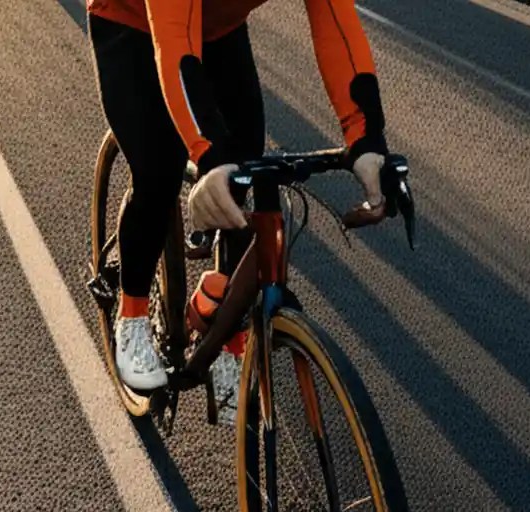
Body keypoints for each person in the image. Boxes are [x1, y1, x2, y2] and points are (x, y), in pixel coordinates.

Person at [89, 0, 389, 422]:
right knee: (158, 173)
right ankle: (133, 315)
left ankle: (227, 336)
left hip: (218, 28)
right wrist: (208, 153)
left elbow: (336, 22)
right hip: (131, 19)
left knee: (245, 172)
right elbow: (174, 43)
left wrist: (365, 137)